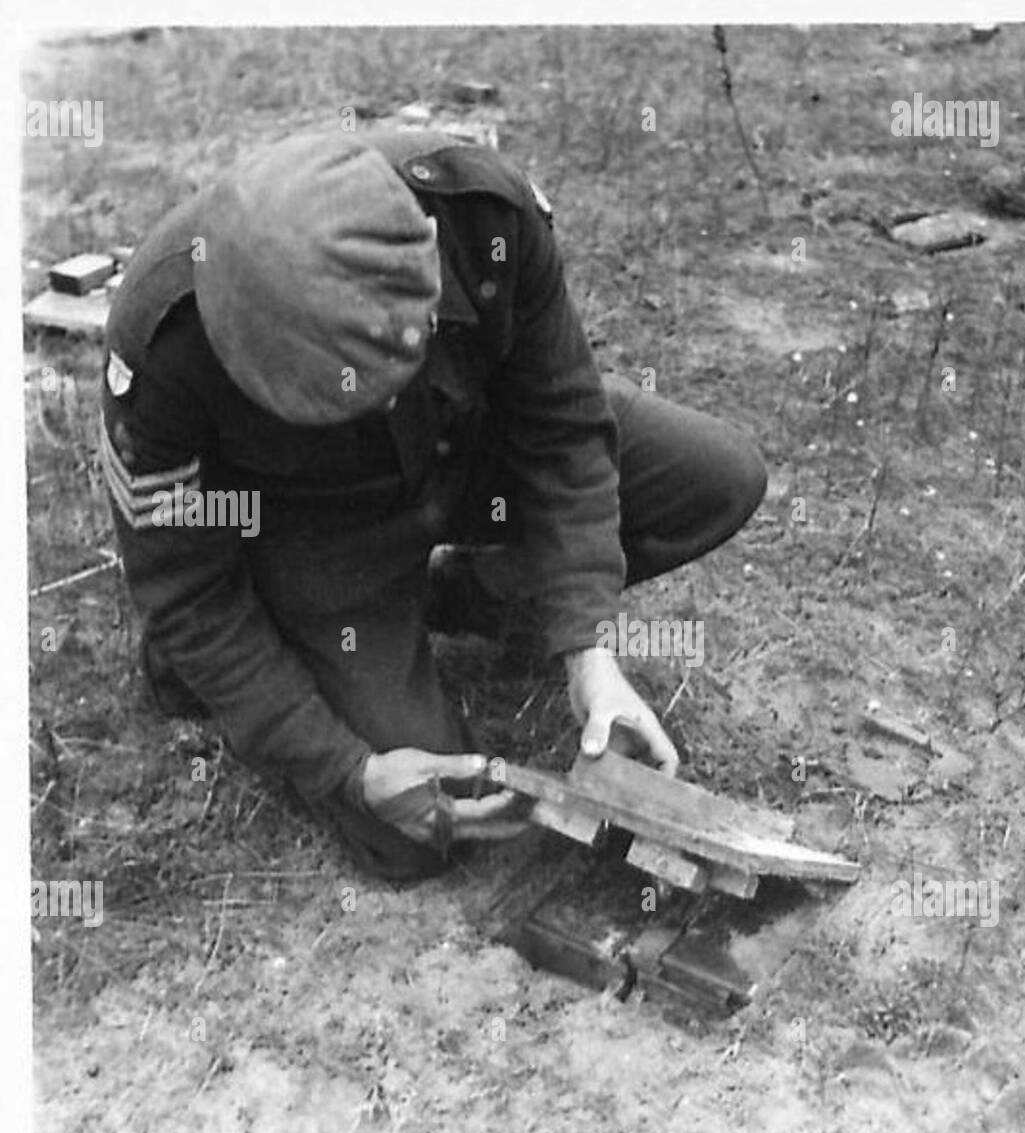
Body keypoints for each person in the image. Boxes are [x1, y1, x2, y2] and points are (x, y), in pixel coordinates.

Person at [100, 129, 766, 880]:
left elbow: (564, 433)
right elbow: (189, 596)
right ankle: (293, 630)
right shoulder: (163, 337)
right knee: (419, 829)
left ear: (423, 245)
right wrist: (347, 770)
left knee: (717, 478)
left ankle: (459, 599)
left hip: (468, 454)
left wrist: (588, 643)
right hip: (319, 533)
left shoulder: (484, 218)